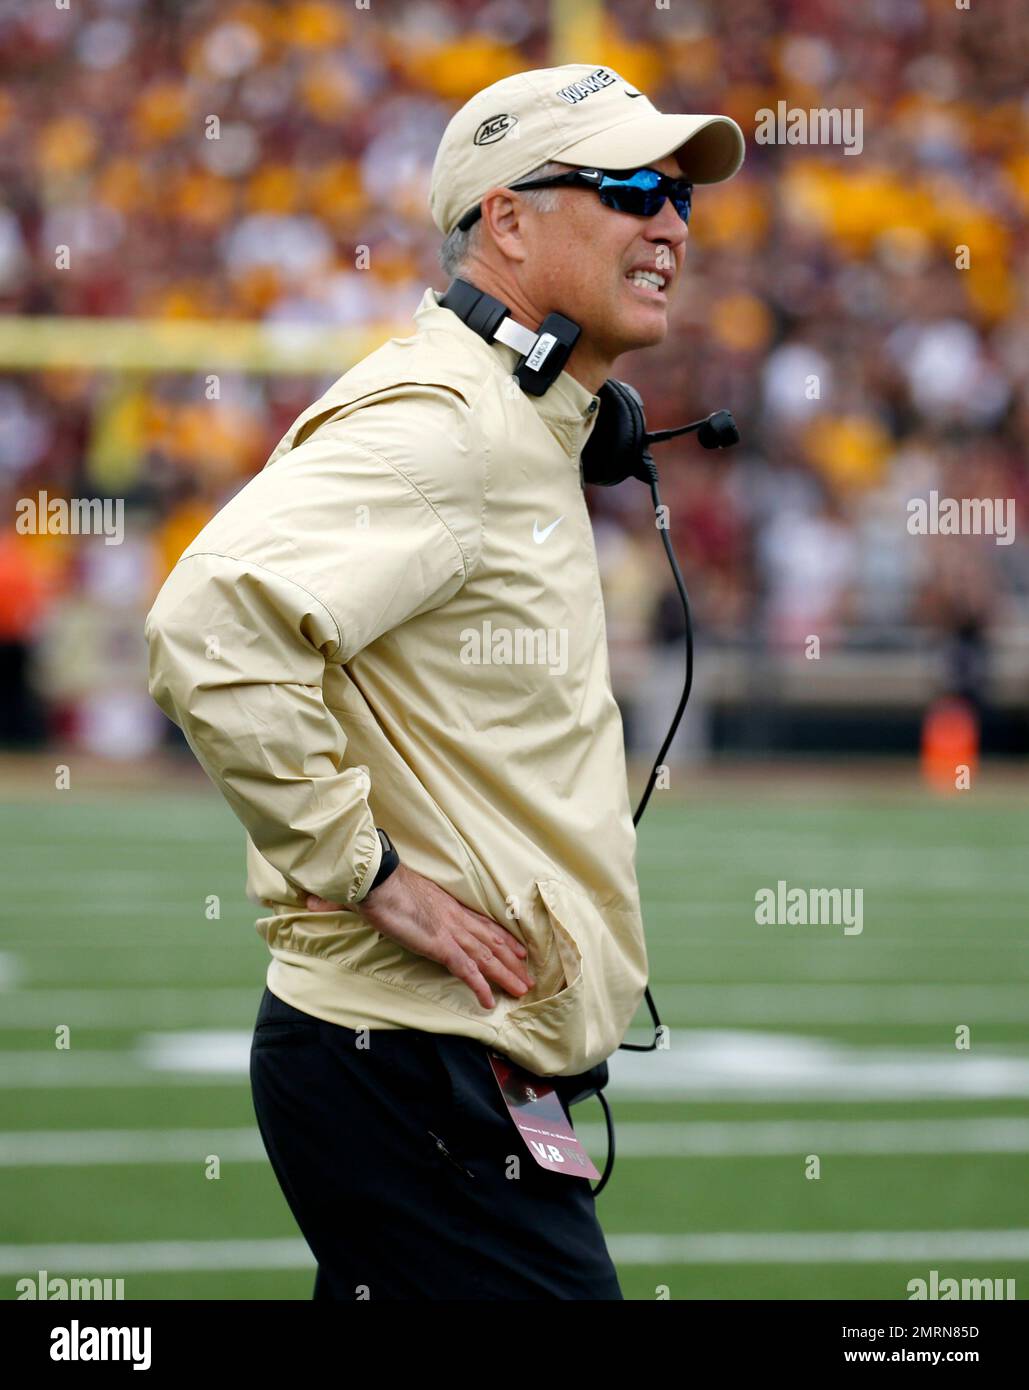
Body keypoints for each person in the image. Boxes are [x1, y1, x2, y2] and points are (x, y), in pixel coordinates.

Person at [144, 62, 744, 1301]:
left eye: (680, 193)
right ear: (508, 220)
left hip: (433, 1063)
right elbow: (210, 622)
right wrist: (362, 869)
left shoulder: (525, 424)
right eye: (631, 185)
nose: (671, 221)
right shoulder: (450, 427)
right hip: (412, 1062)